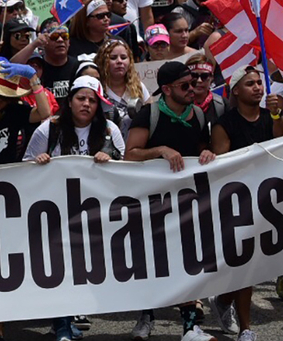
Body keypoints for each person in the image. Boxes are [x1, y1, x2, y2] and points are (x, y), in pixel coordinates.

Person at [24, 76, 125, 341]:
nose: (86, 104)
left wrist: (111, 157)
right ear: (70, 102)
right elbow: (24, 165)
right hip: (56, 210)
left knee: (81, 269)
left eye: (92, 101)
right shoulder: (49, 129)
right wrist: (38, 161)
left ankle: (69, 319)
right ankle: (61, 324)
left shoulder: (109, 130)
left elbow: (127, 167)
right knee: (60, 267)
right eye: (81, 98)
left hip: (94, 212)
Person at [124, 61, 217, 339]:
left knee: (187, 262)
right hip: (151, 201)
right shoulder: (148, 115)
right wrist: (161, 150)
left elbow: (203, 150)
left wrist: (208, 154)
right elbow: (131, 154)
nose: (194, 88)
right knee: (152, 261)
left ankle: (190, 327)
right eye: (185, 85)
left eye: (196, 82)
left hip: (187, 203)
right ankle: (146, 315)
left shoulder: (198, 115)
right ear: (166, 89)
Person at [208, 65, 281, 341]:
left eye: (259, 83)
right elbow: (221, 163)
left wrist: (277, 114)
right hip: (238, 203)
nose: (258, 88)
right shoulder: (224, 124)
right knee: (246, 267)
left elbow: (280, 141)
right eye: (250, 84)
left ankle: (224, 300)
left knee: (258, 264)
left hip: (271, 200)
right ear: (235, 91)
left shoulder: (270, 115)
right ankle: (247, 329)